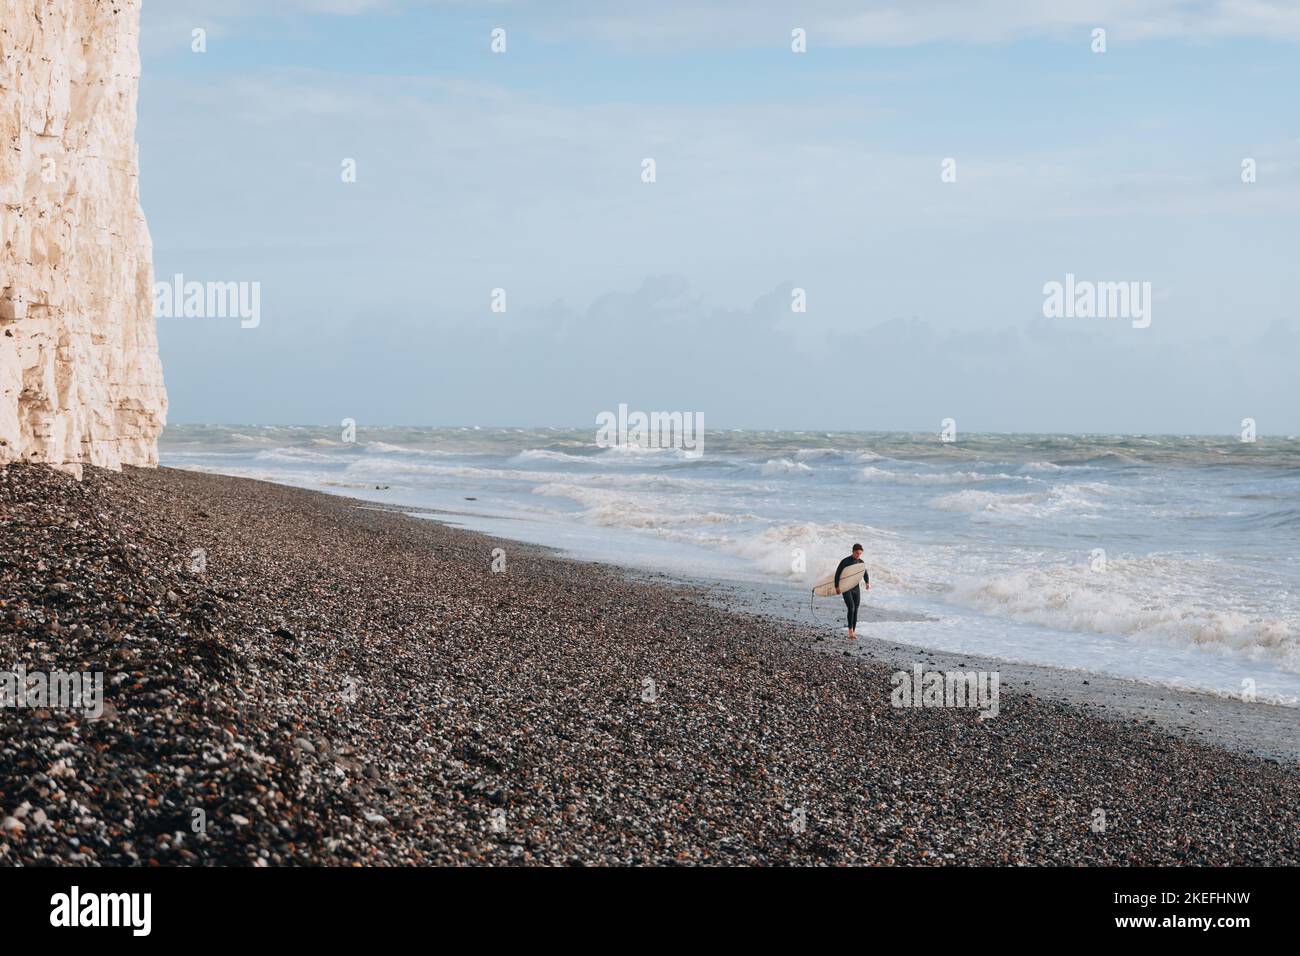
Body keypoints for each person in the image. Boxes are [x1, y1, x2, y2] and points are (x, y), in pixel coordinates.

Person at [833, 543, 870, 639]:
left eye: (860, 554)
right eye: (857, 553)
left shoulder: (861, 562)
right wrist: (837, 586)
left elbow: (864, 573)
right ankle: (850, 631)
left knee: (856, 610)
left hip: (856, 588)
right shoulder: (845, 561)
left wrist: (867, 582)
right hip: (846, 587)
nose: (858, 555)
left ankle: (853, 631)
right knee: (851, 608)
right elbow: (837, 574)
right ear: (853, 551)